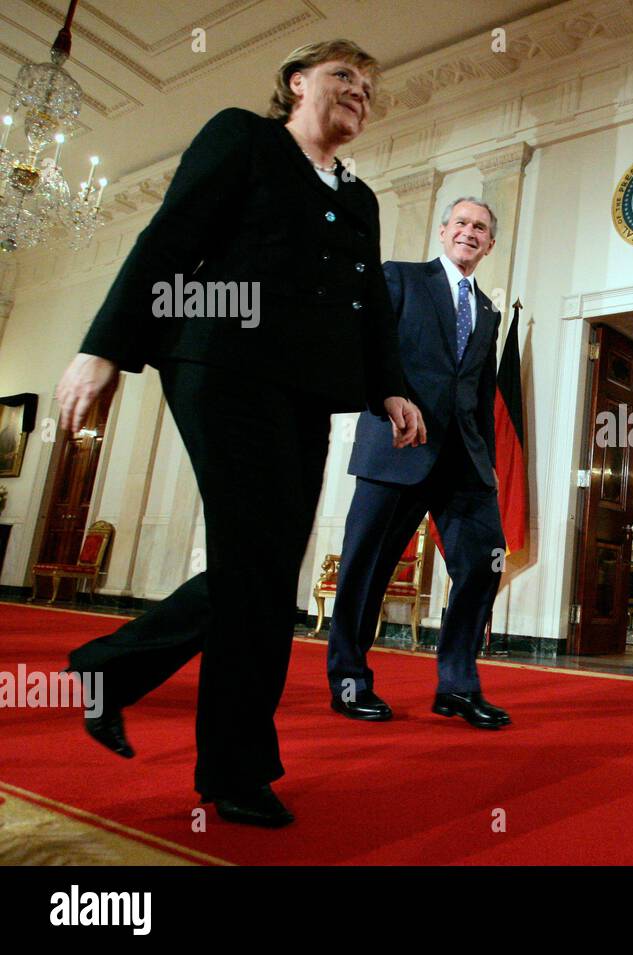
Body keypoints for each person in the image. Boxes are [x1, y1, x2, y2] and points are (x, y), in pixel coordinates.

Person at [56, 39, 425, 828]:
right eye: (343, 79)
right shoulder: (244, 138)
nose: (359, 93)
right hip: (219, 362)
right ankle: (235, 768)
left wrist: (390, 386)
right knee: (255, 560)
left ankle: (107, 673)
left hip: (305, 392)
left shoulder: (360, 201)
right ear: (296, 84)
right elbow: (170, 236)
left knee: (261, 570)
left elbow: (369, 307)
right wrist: (104, 347)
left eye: (367, 87)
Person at [326, 197, 509, 730]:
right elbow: (367, 347)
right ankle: (350, 680)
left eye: (480, 228)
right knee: (367, 568)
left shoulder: (489, 312)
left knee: (483, 562)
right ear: (442, 231)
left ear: (490, 244)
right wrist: (386, 398)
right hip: (399, 447)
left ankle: (457, 684)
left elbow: (478, 392)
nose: (470, 232)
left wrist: (489, 464)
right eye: (462, 224)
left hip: (465, 464)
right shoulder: (400, 279)